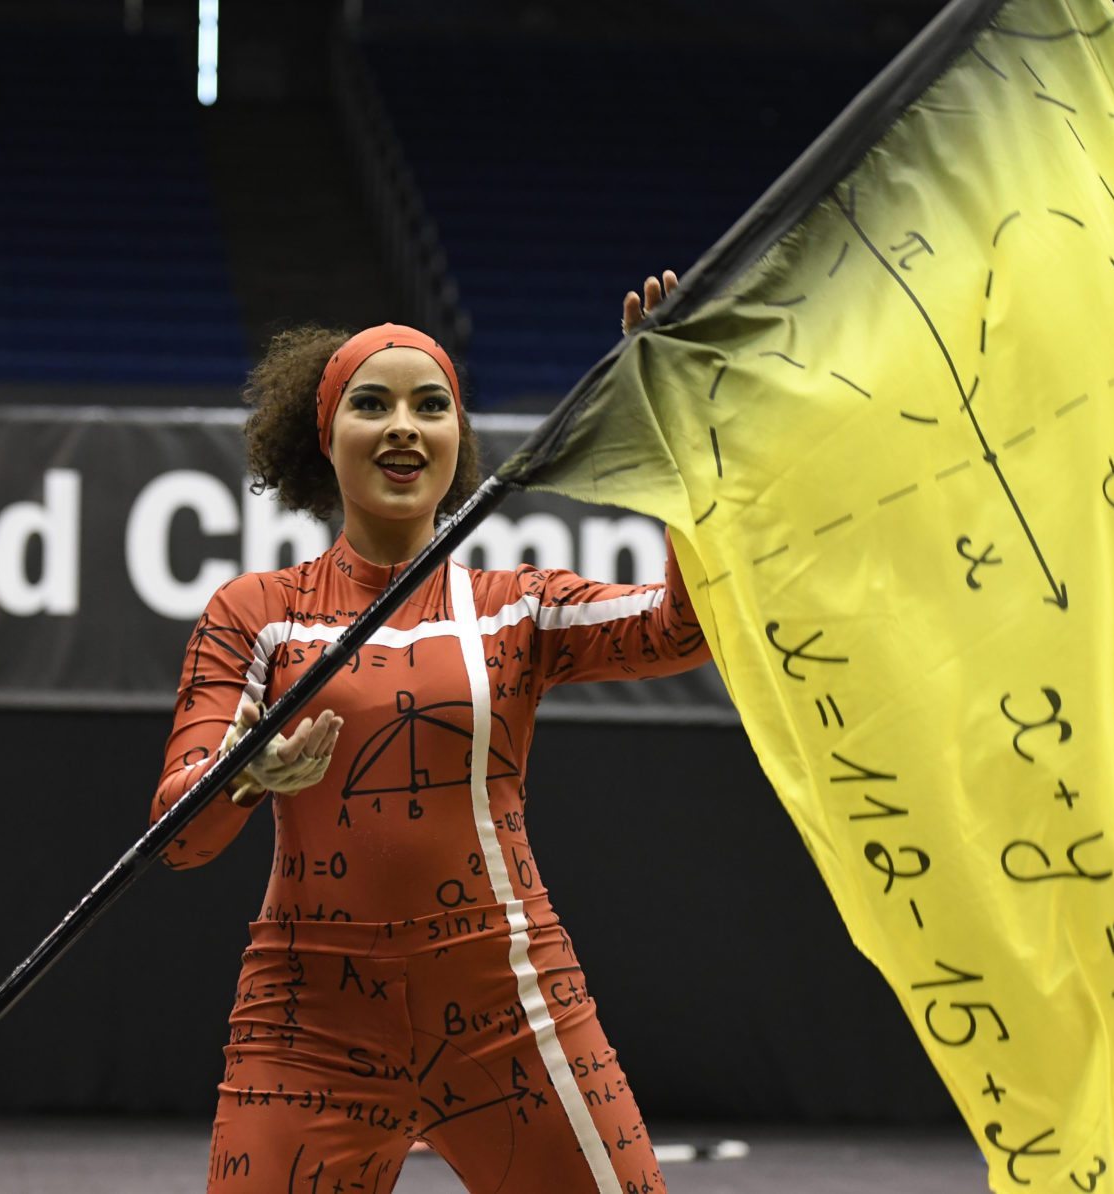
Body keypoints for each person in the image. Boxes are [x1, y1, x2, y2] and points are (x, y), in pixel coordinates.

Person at [151, 272, 708, 1193]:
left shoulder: (518, 609)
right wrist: (239, 776)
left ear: (458, 441)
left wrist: (680, 433)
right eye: (372, 404)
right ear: (324, 437)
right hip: (306, 1025)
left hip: (513, 1011)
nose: (404, 426)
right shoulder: (255, 615)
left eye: (431, 406)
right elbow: (179, 838)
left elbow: (681, 629)